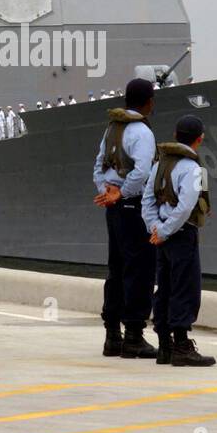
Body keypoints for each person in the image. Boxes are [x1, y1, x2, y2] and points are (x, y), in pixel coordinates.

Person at [142, 114, 216, 367]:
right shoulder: (194, 169)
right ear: (200, 139)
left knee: (164, 287)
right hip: (182, 234)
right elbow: (186, 207)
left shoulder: (158, 166)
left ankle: (165, 346)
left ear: (175, 136)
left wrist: (155, 228)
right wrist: (166, 230)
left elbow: (147, 201)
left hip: (161, 236)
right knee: (185, 288)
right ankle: (182, 346)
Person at [92, 76, 157, 359]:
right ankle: (133, 335)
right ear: (148, 102)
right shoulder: (142, 132)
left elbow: (98, 166)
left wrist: (106, 192)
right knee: (140, 267)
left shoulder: (112, 129)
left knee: (116, 267)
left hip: (114, 209)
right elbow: (142, 171)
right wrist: (123, 193)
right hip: (133, 206)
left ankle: (111, 336)